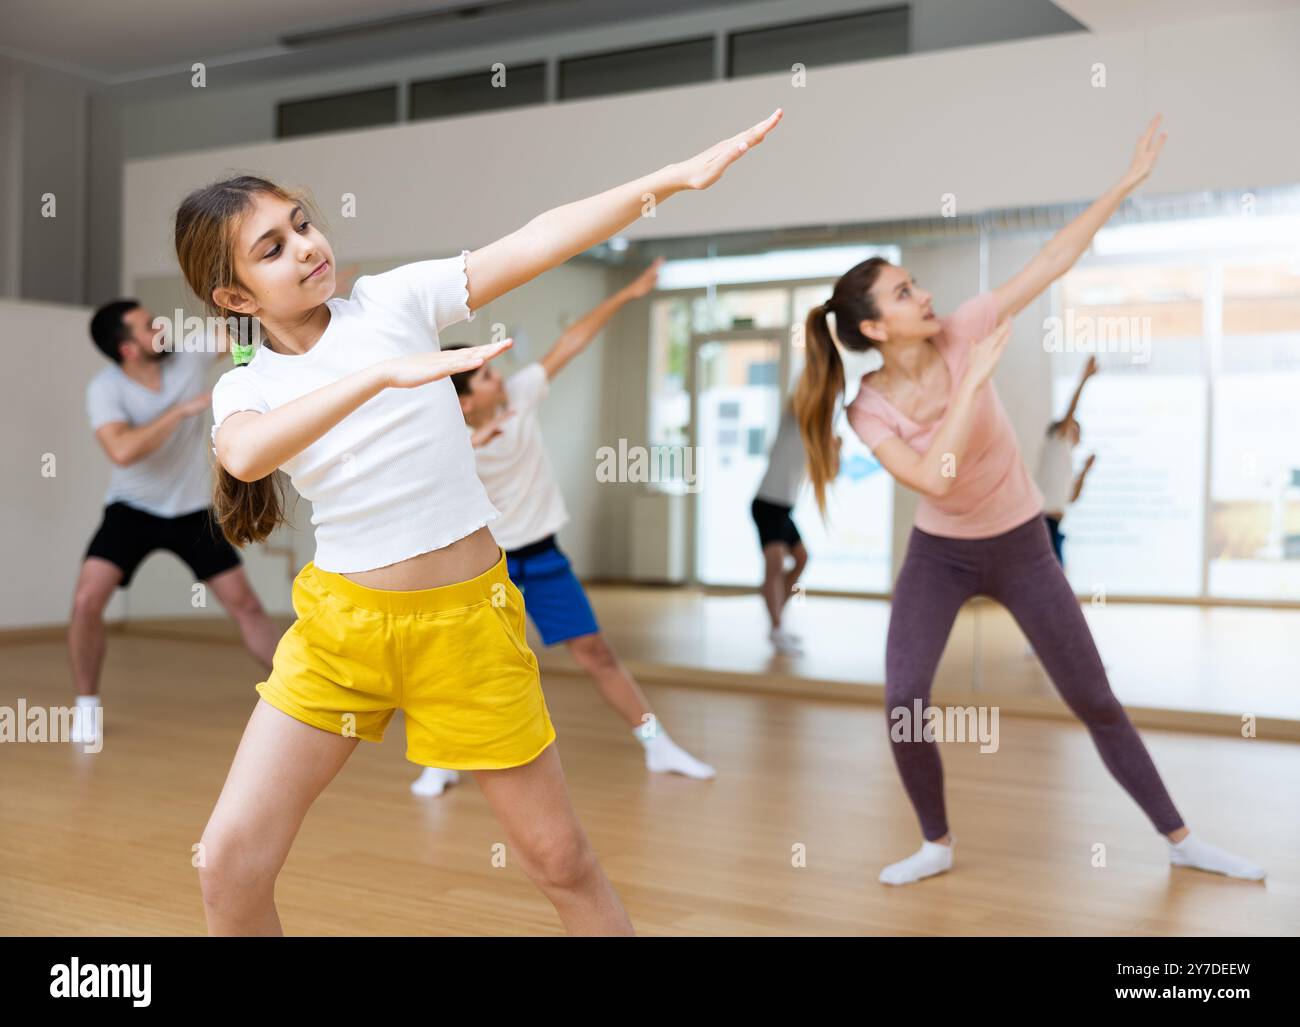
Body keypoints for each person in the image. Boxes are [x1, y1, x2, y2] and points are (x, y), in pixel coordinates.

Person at [190, 107, 782, 935]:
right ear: (233, 295)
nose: (308, 246)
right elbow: (246, 457)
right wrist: (381, 378)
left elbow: (538, 239)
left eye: (302, 224)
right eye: (273, 248)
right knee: (227, 863)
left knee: (560, 859)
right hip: (340, 632)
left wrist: (670, 180)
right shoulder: (244, 386)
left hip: (465, 624)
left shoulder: (392, 301)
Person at [794, 115, 1265, 886]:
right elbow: (936, 479)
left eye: (918, 282)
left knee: (1093, 697)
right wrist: (974, 382)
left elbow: (1052, 258)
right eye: (907, 292)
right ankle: (935, 843)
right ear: (876, 327)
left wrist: (1124, 183)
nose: (928, 294)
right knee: (904, 695)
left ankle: (1181, 837)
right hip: (939, 555)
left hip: (1020, 543)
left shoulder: (965, 327)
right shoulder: (868, 409)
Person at [413, 258, 714, 798]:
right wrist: (471, 446)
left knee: (596, 652)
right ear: (462, 402)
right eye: (484, 375)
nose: (497, 375)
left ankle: (656, 744)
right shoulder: (442, 440)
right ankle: (444, 758)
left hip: (543, 556)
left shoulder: (522, 396)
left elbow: (572, 342)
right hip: (486, 569)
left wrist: (628, 294)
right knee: (462, 667)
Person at [72, 300, 281, 745]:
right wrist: (180, 411)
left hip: (191, 513)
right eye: (148, 325)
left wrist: (272, 297)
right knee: (88, 599)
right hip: (132, 511)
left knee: (245, 605)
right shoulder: (105, 389)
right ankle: (86, 708)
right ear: (128, 349)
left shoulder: (190, 353)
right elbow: (122, 451)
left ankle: (299, 690)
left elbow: (249, 329)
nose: (161, 325)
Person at [751, 397, 819, 655]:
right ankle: (776, 628)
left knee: (802, 558)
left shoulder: (814, 437)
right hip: (766, 504)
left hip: (784, 510)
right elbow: (796, 398)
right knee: (776, 564)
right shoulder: (791, 421)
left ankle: (777, 613)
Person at [1036, 354, 1100, 567]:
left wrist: (1085, 471)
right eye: (1074, 427)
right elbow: (1071, 411)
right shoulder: (1056, 443)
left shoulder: (1065, 461)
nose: (1078, 432)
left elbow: (1072, 497)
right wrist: (1084, 379)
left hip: (1054, 523)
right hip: (1044, 522)